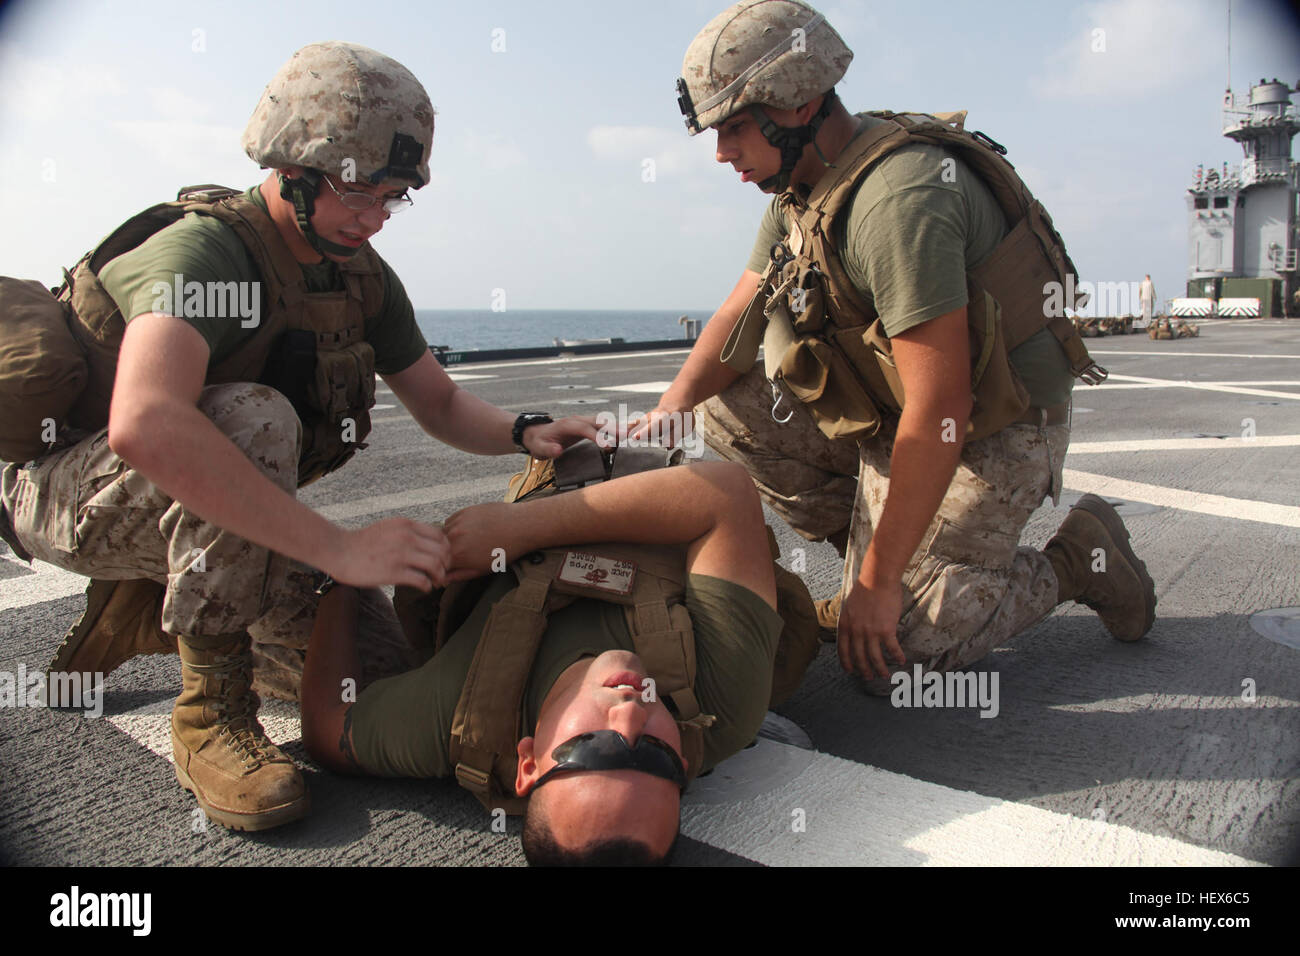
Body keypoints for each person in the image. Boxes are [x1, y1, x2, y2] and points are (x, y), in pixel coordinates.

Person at [0, 42, 598, 832]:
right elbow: (146, 421)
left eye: (393, 196)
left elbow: (441, 401)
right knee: (253, 416)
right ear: (293, 167)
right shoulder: (207, 252)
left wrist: (526, 431)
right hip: (65, 488)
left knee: (378, 681)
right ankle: (209, 710)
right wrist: (338, 550)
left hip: (218, 503)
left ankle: (167, 593)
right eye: (358, 189)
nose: (375, 214)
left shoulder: (357, 273)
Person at [636, 0, 1157, 693]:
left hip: (991, 428)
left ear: (797, 105)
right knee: (725, 411)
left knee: (897, 656)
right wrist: (662, 417)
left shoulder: (896, 204)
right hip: (897, 412)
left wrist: (879, 586)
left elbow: (943, 405)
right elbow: (738, 322)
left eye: (733, 127)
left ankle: (1075, 559)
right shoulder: (799, 191)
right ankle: (902, 560)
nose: (723, 151)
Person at [299, 461, 785, 865]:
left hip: (557, 485)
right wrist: (522, 528)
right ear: (682, 763)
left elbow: (327, 728)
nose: (630, 711)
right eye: (655, 754)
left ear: (528, 763)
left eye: (592, 747)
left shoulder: (457, 715)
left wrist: (340, 575)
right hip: (664, 481)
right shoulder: (723, 702)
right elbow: (724, 492)